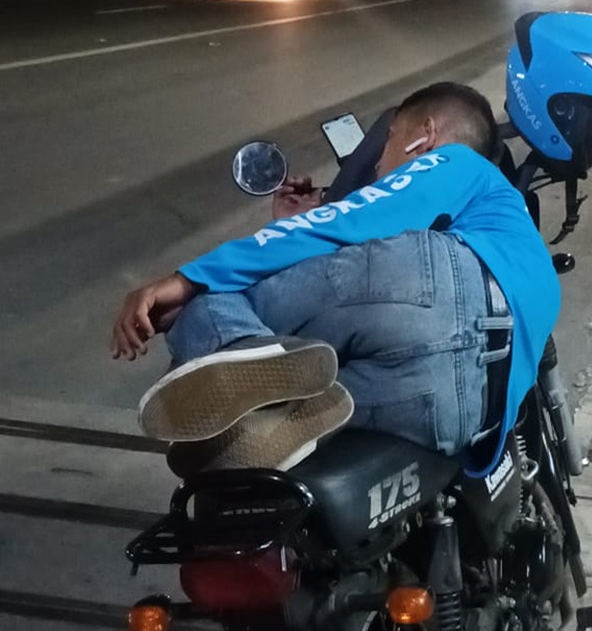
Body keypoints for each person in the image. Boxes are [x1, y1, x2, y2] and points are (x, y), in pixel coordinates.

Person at [112, 81, 560, 478]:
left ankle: (239, 359)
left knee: (214, 298)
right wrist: (298, 221)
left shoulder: (461, 162)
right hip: (461, 411)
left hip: (445, 291)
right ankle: (272, 415)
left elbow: (352, 224)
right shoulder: (516, 235)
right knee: (319, 392)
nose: (381, 164)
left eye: (389, 139)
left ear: (425, 134)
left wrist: (190, 279)